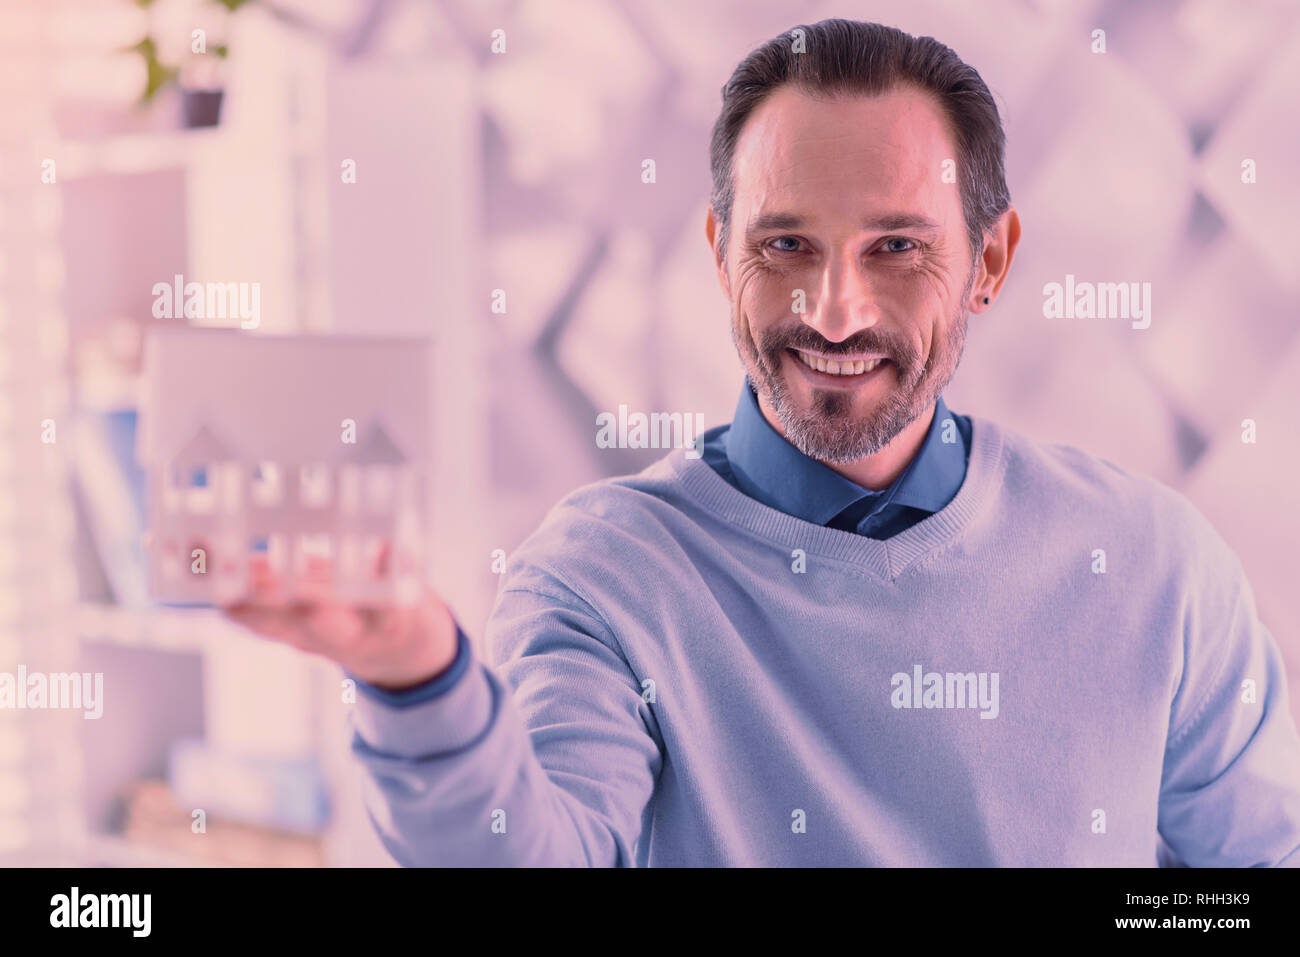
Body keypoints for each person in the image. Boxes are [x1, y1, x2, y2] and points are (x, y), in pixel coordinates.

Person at [225, 18, 1300, 866]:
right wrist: (415, 674)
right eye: (786, 243)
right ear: (718, 249)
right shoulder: (604, 575)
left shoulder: (1152, 562)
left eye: (896, 248)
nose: (833, 312)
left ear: (990, 261)